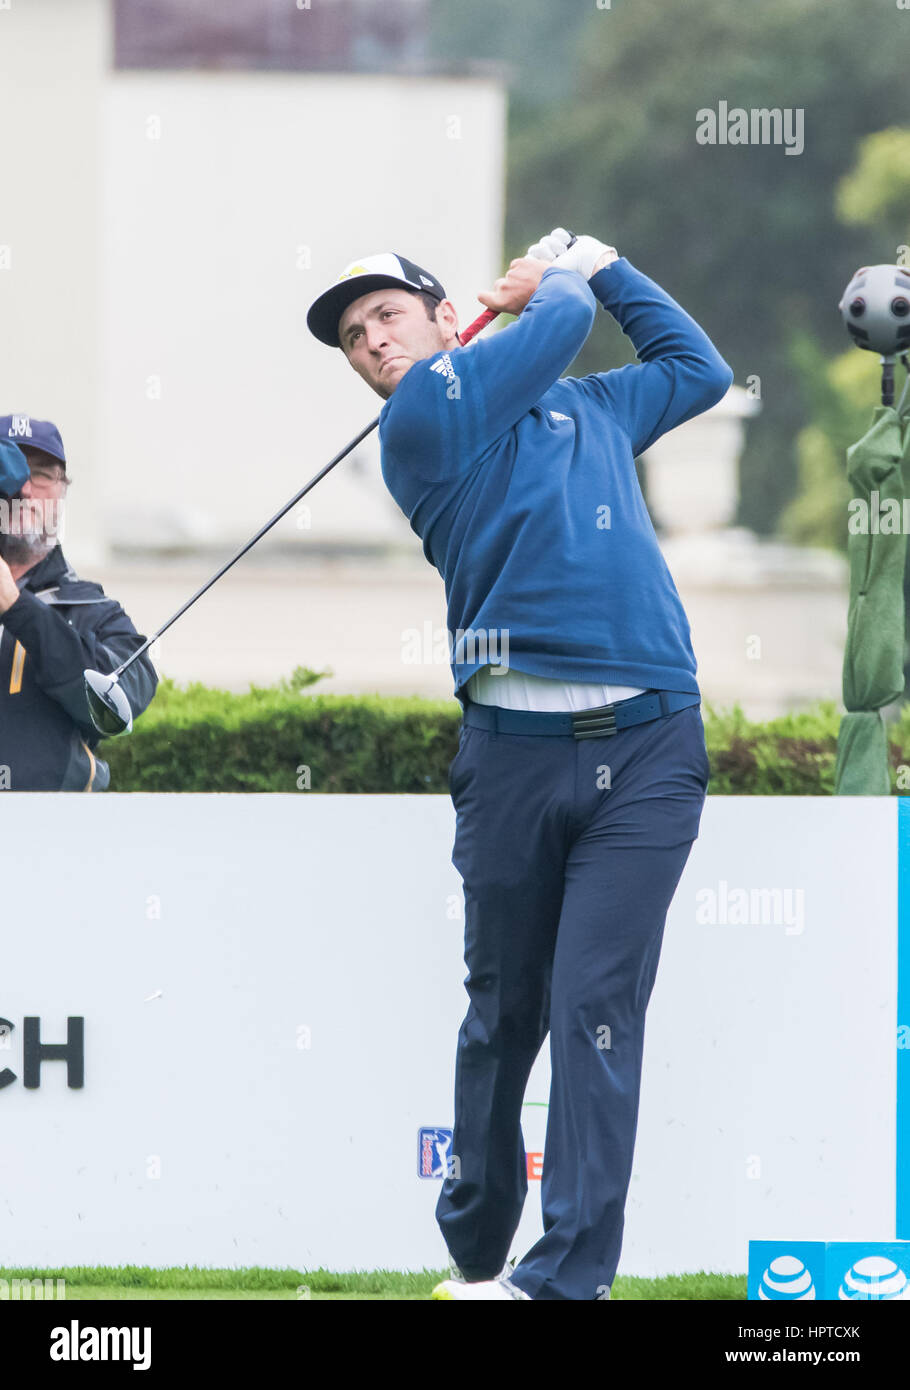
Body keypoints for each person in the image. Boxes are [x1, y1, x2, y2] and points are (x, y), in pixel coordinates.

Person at [306, 230, 733, 1300]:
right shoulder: (419, 421)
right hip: (510, 758)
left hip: (648, 744)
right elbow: (562, 321)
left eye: (387, 316)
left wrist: (617, 262)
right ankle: (475, 1246)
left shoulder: (588, 409)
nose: (371, 343)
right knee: (504, 1010)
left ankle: (562, 1281)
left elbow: (699, 371)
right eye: (355, 339)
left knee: (596, 1005)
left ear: (450, 318)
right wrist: (563, 278)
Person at [0, 415, 158, 791]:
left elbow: (116, 708)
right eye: (7, 471)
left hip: (54, 836)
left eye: (39, 474)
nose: (23, 490)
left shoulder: (93, 610)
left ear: (63, 492)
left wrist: (18, 607)